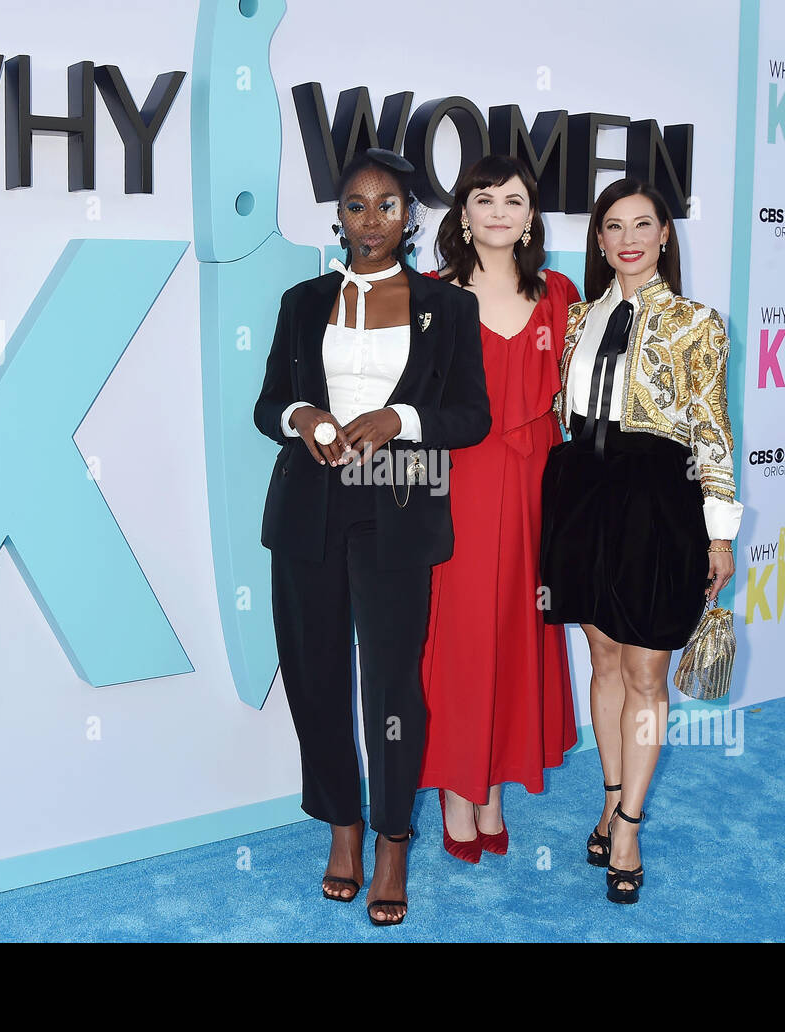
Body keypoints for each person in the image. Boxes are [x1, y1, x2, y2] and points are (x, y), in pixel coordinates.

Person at [253, 148, 490, 926]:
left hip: (396, 500)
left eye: (388, 205)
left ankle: (393, 839)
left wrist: (401, 421)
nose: (373, 220)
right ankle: (342, 830)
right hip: (309, 507)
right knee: (314, 676)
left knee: (391, 687)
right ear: (338, 218)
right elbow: (267, 407)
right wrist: (304, 418)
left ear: (411, 216)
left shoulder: (447, 309)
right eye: (357, 205)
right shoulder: (301, 300)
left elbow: (471, 418)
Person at [539, 178, 742, 904]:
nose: (628, 238)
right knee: (602, 657)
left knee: (647, 673)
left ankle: (628, 826)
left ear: (664, 237)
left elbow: (713, 432)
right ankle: (610, 793)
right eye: (614, 226)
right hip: (583, 496)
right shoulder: (577, 320)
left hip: (659, 500)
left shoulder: (698, 322)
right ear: (599, 241)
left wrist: (719, 537)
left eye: (642, 225)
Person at [418, 155, 578, 863]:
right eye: (484, 198)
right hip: (459, 481)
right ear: (463, 214)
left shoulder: (561, 296)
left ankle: (493, 789)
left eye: (514, 199)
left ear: (530, 216)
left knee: (517, 631)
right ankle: (459, 786)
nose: (499, 211)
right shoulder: (429, 293)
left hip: (537, 483)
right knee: (459, 636)